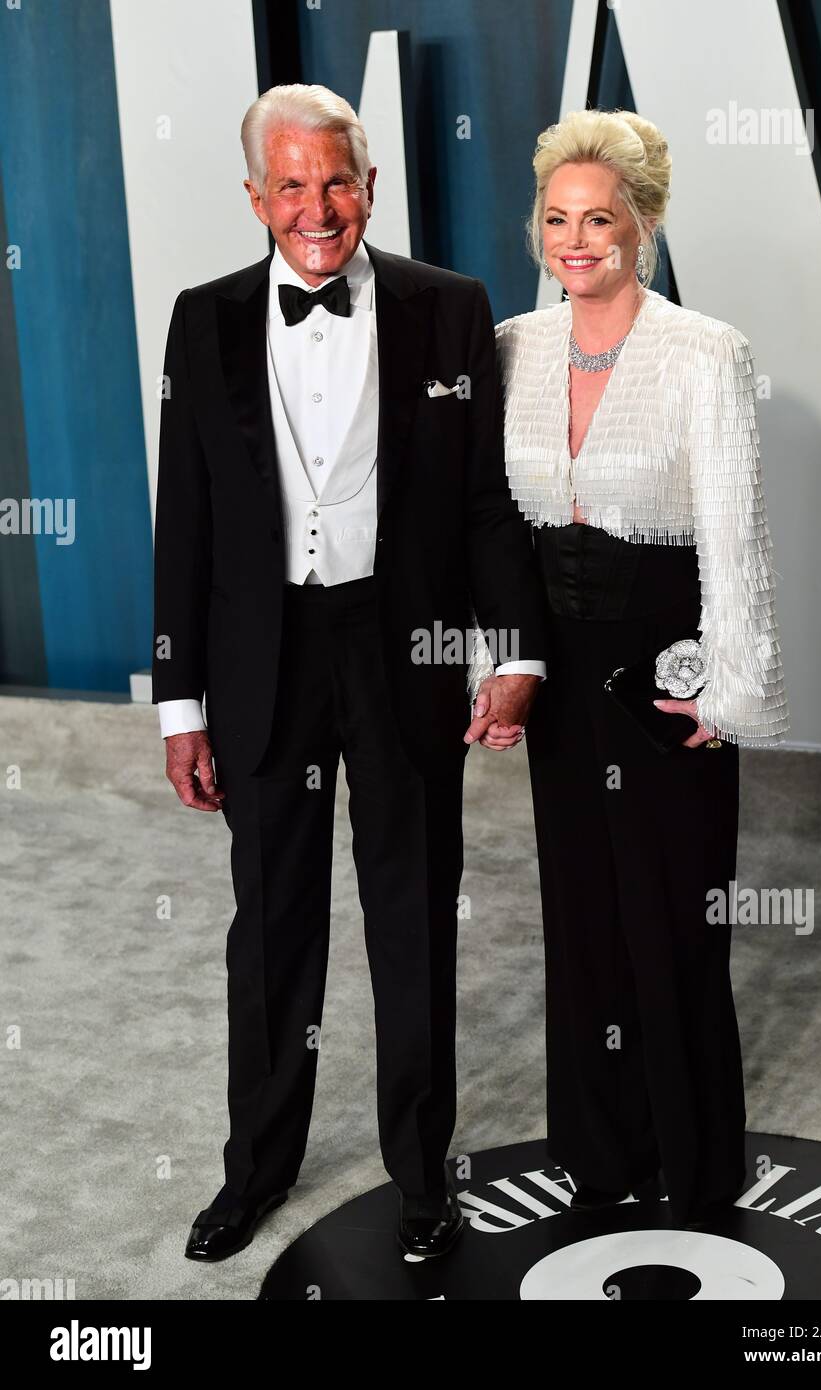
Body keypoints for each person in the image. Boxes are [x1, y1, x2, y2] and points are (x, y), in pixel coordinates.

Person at [152, 83, 547, 1262]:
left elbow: (485, 505)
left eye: (335, 181)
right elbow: (187, 522)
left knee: (412, 916)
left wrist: (511, 647)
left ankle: (423, 1177)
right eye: (290, 184)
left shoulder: (449, 307)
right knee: (270, 932)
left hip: (402, 649)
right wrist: (180, 702)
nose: (314, 208)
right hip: (260, 659)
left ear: (368, 185)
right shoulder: (202, 317)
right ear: (254, 196)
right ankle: (255, 1171)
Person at [470, 108, 789, 1228]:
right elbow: (493, 532)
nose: (574, 239)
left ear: (641, 225)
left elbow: (733, 535)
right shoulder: (507, 346)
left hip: (664, 660)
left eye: (598, 218)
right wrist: (502, 662)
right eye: (556, 218)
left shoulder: (705, 352)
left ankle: (696, 1160)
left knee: (672, 916)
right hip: (557, 663)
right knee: (582, 913)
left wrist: (725, 690)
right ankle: (599, 1152)